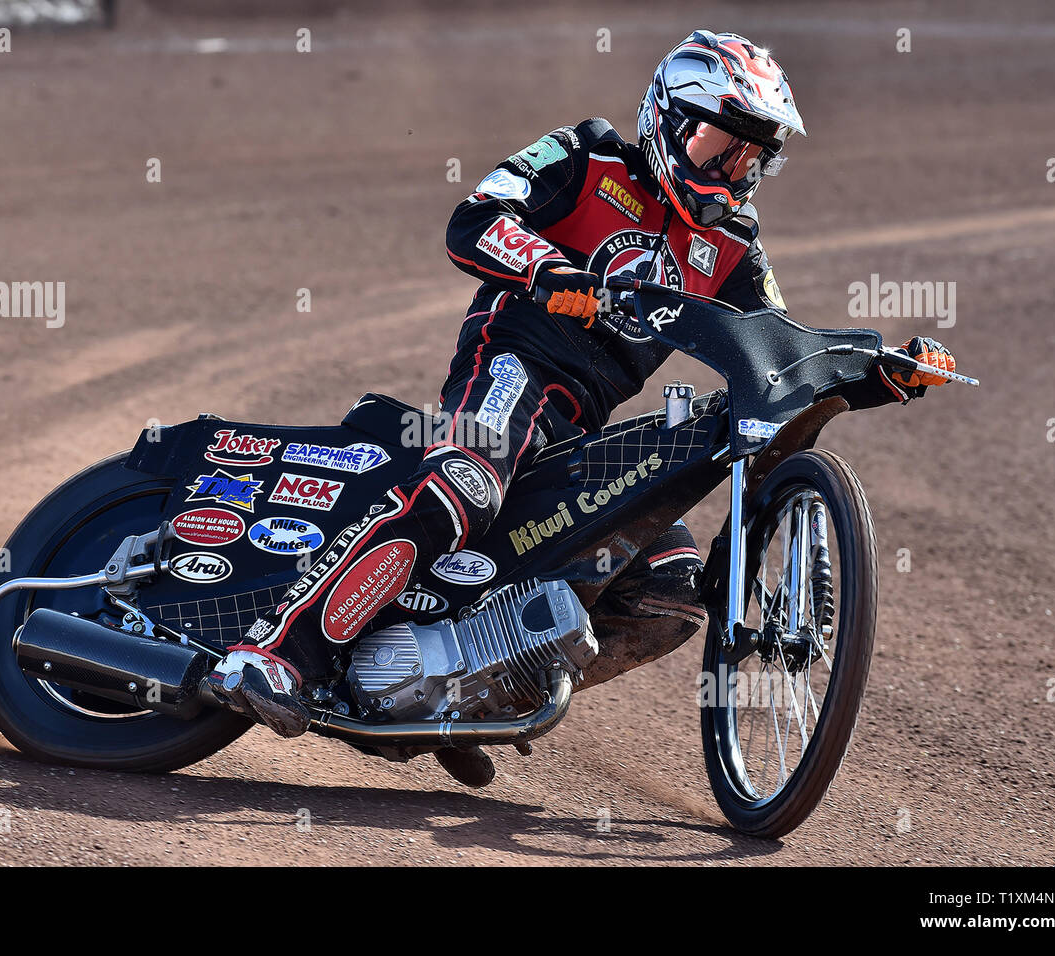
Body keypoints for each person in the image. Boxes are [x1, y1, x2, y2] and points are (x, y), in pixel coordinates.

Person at [205, 30, 956, 744]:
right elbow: (474, 218)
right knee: (467, 483)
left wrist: (875, 372)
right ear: (665, 119)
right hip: (513, 367)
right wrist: (552, 270)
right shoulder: (590, 157)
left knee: (669, 591)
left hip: (584, 429)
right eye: (715, 147)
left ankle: (476, 697)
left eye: (748, 160)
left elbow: (776, 354)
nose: (729, 173)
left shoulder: (733, 246)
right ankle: (277, 651)